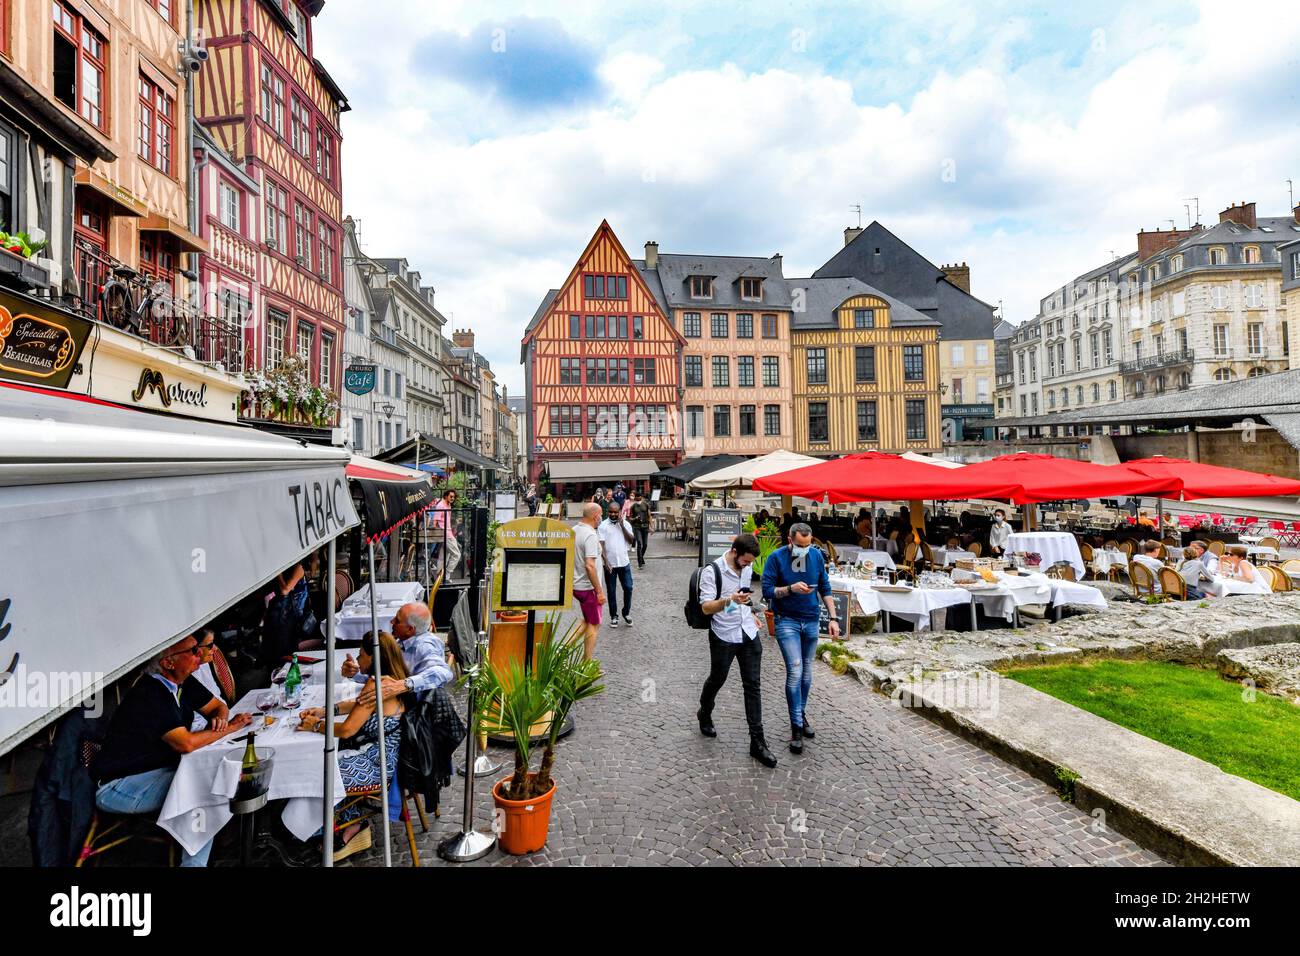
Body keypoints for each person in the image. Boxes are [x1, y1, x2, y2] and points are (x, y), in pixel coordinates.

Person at [90, 635, 253, 866]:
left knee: (216, 777)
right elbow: (184, 743)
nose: (200, 654)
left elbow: (218, 706)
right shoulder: (150, 693)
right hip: (118, 786)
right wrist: (230, 728)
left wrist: (220, 721)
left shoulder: (182, 682)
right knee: (201, 790)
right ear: (169, 662)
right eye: (193, 650)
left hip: (157, 770)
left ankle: (223, 836)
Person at [300, 631, 409, 861]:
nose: (358, 661)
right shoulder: (392, 678)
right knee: (332, 759)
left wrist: (315, 725)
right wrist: (327, 711)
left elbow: (348, 729)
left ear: (373, 658)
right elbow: (359, 704)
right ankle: (350, 822)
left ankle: (339, 826)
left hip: (378, 766)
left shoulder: (376, 684)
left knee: (321, 770)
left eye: (361, 655)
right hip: (390, 758)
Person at [696, 533, 776, 768]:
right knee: (718, 678)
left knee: (753, 685)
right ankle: (705, 710)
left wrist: (750, 612)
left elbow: (744, 597)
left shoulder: (747, 567)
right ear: (734, 552)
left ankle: (757, 742)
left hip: (748, 633)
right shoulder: (713, 571)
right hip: (723, 634)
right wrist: (729, 600)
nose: (748, 566)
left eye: (750, 562)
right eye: (745, 561)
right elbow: (706, 608)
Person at [761, 522, 838, 755]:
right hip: (787, 621)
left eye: (808, 545)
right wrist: (790, 588)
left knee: (806, 672)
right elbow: (766, 591)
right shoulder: (776, 558)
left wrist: (833, 618)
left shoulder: (815, 556)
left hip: (811, 619)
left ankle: (800, 713)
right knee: (794, 671)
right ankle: (796, 727)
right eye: (800, 545)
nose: (804, 549)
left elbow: (825, 587)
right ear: (790, 540)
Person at [342, 601, 452, 705]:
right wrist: (355, 674)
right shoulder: (403, 641)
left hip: (412, 712)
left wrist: (404, 684)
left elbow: (442, 672)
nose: (392, 621)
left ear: (410, 629)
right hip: (396, 702)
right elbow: (386, 681)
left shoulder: (424, 646)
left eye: (397, 621)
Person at [572, 502, 606, 658]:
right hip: (588, 587)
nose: (602, 518)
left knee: (586, 619)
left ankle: (561, 649)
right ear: (596, 516)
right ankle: (587, 665)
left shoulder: (574, 530)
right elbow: (590, 566)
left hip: (576, 584)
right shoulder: (590, 535)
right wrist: (599, 591)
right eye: (601, 514)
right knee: (594, 623)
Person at [599, 501, 636, 628]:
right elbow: (601, 545)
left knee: (628, 588)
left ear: (620, 512)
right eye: (611, 512)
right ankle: (613, 616)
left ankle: (626, 613)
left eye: (615, 512)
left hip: (624, 562)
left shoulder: (626, 524)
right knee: (611, 591)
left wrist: (622, 526)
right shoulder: (603, 525)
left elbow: (632, 541)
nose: (613, 514)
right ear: (607, 512)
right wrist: (606, 561)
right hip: (610, 565)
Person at [430, 489, 461, 577]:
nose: (452, 498)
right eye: (451, 496)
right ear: (446, 496)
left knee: (444, 556)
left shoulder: (448, 505)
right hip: (445, 534)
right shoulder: (441, 506)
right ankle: (447, 573)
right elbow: (435, 520)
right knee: (456, 555)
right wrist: (438, 534)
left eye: (454, 497)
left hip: (448, 532)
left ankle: (441, 577)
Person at [629, 490, 652, 568]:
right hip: (637, 527)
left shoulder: (646, 504)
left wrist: (652, 527)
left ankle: (641, 557)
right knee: (639, 543)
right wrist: (635, 518)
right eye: (636, 497)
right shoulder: (633, 506)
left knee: (645, 545)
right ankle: (639, 563)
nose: (637, 498)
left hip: (645, 526)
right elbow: (630, 518)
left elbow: (649, 516)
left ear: (641, 497)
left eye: (639, 496)